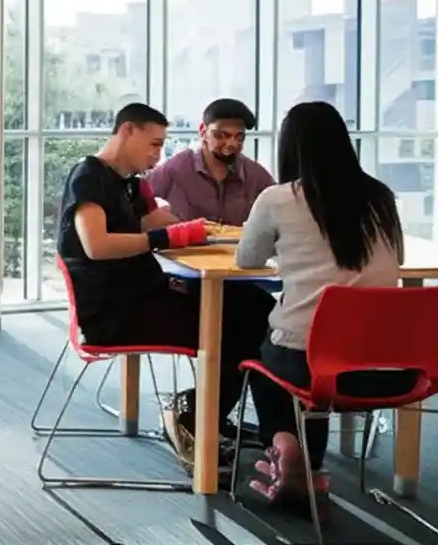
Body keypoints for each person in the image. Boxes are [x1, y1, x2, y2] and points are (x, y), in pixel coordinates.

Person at [56, 103, 274, 472]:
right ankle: (195, 417)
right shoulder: (88, 176)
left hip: (142, 293)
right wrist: (162, 237)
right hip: (116, 311)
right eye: (153, 144)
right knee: (241, 322)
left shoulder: (128, 184)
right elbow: (97, 245)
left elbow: (161, 221)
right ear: (127, 130)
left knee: (253, 303)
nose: (158, 155)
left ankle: (205, 413)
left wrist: (196, 230)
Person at [235, 101, 417, 523]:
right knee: (307, 354)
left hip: (313, 367)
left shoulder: (278, 198)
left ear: (290, 148)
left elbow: (247, 260)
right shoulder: (380, 196)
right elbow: (399, 258)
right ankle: (311, 467)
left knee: (266, 352)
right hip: (392, 367)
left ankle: (286, 442)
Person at [147, 98, 275, 225]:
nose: (232, 143)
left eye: (239, 137)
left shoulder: (255, 175)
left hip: (238, 245)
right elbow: (136, 207)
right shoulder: (174, 170)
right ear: (203, 131)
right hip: (187, 245)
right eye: (220, 135)